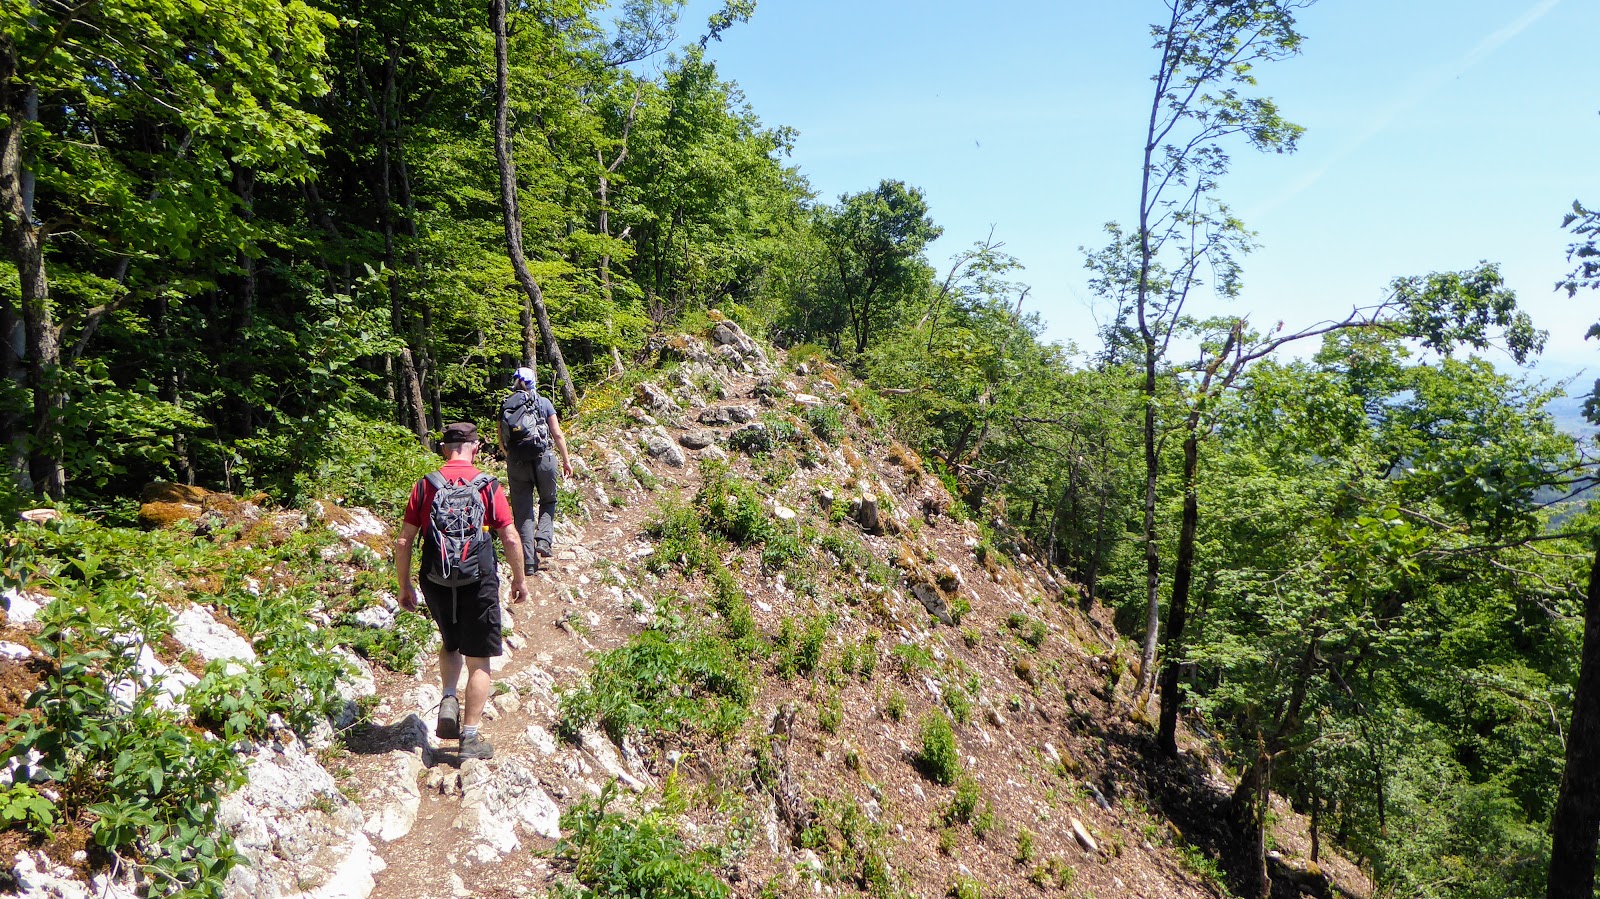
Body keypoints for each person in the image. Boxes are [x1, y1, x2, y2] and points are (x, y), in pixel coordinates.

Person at [395, 421, 527, 760]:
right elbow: (510, 537)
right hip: (477, 577)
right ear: (475, 447)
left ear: (443, 449)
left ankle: (449, 696)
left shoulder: (426, 486)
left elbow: (404, 541)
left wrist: (404, 585)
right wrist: (519, 578)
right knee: (479, 658)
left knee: (450, 641)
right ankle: (469, 738)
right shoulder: (487, 485)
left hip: (435, 578)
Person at [498, 366, 574, 575]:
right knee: (548, 500)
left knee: (523, 513)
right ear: (534, 381)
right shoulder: (544, 402)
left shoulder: (507, 404)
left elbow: (501, 439)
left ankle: (529, 564)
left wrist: (511, 457)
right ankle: (543, 540)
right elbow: (557, 434)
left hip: (516, 462)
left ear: (515, 382)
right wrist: (566, 460)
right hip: (544, 458)